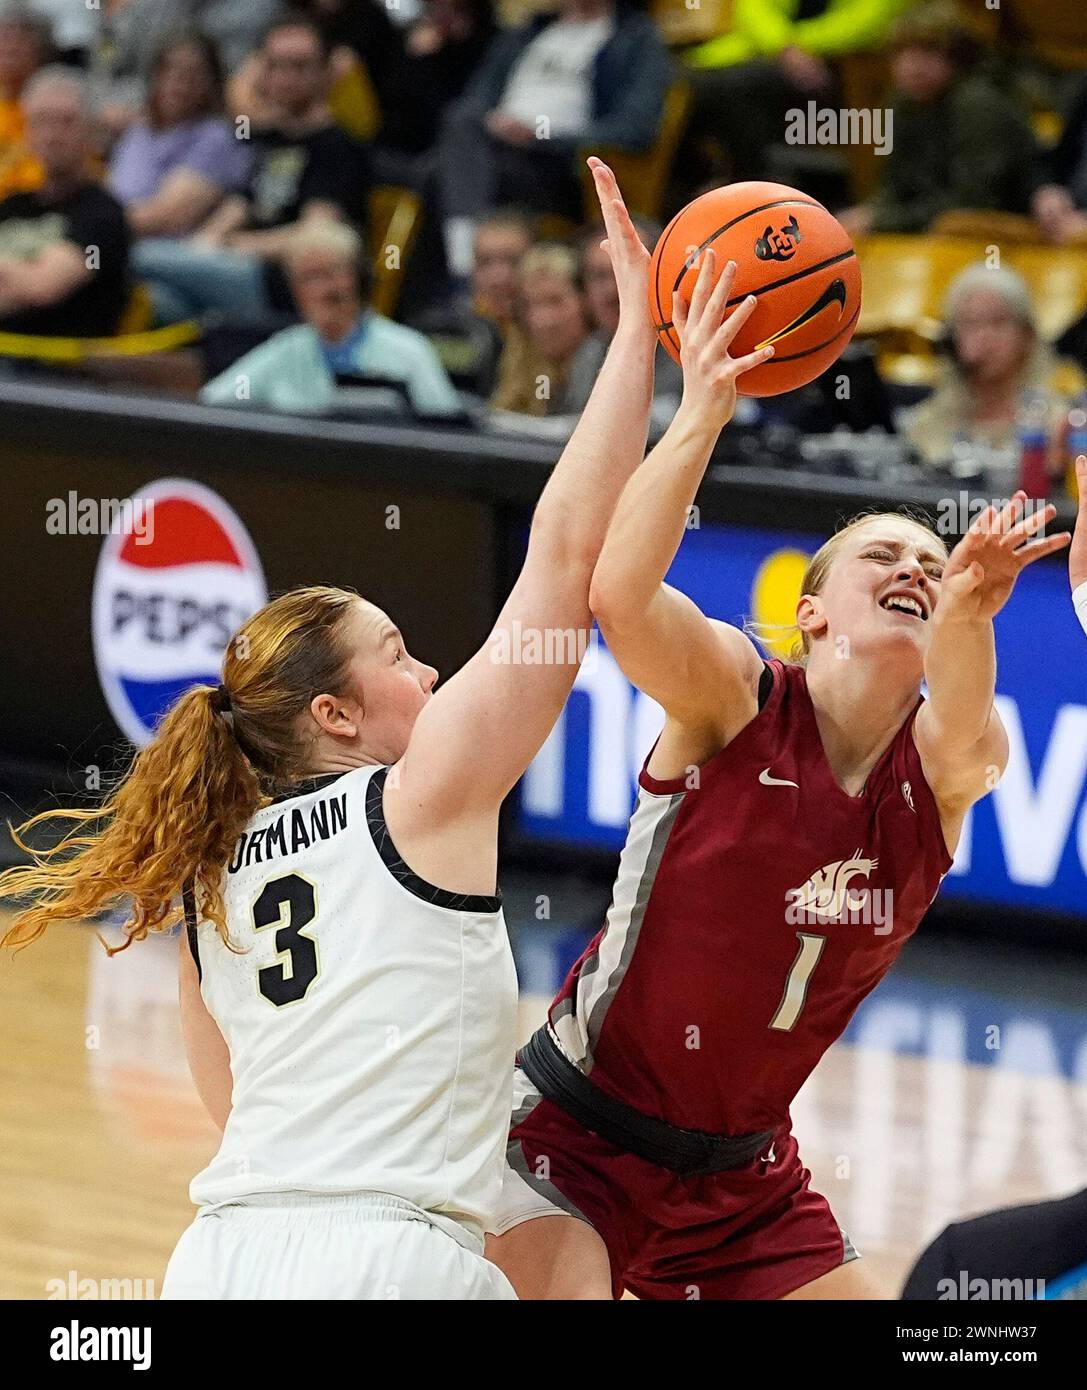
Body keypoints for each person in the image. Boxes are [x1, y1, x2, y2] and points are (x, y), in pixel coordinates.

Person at [0, 159, 666, 1301]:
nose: (433, 671)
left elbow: (239, 1112)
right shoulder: (419, 801)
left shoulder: (206, 890)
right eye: (400, 657)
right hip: (393, 1261)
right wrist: (640, 336)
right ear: (334, 714)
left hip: (218, 1258)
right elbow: (562, 550)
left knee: (566, 1251)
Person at [484, 249, 1071, 1300]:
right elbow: (620, 593)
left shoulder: (942, 772)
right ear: (810, 610)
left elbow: (970, 723)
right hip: (578, 1137)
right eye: (880, 559)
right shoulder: (735, 698)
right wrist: (703, 407)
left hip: (744, 1179)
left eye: (930, 569)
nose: (912, 572)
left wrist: (972, 616)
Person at [132, 14, 369, 321]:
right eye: (274, 66)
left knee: (136, 254)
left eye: (299, 66)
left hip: (284, 285)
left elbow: (315, 237)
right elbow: (243, 203)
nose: (284, 78)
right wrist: (206, 241)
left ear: (325, 73)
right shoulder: (268, 139)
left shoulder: (337, 147)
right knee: (155, 300)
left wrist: (234, 245)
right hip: (238, 273)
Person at [437, 0, 669, 293]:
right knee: (456, 136)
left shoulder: (635, 37)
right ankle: (463, 280)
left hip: (562, 166)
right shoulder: (526, 33)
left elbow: (636, 127)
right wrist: (497, 124)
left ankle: (462, 277)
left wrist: (542, 137)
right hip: (493, 151)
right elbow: (473, 104)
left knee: (440, 174)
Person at [201, 219, 462, 417]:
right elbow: (212, 403)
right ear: (294, 291)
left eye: (332, 274)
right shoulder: (285, 350)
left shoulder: (408, 349)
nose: (323, 290)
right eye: (309, 279)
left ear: (358, 278)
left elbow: (445, 426)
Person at [838, 2, 1040, 239]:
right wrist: (871, 212)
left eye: (928, 51)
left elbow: (969, 203)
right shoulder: (902, 102)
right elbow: (895, 187)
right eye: (902, 53)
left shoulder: (978, 104)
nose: (913, 66)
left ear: (957, 56)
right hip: (933, 231)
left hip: (1003, 237)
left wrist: (882, 219)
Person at [682, 0, 903, 186]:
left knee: (742, 85)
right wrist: (784, 47)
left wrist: (794, 47)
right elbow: (752, 8)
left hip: (838, 69)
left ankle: (754, 185)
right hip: (767, 53)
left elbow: (866, 23)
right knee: (681, 86)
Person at [902, 264, 1082, 479]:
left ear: (1027, 335)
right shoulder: (925, 423)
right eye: (970, 323)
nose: (984, 337)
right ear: (950, 340)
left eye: (998, 322)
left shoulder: (1061, 426)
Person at [0, 65, 129, 337]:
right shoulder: (12, 206)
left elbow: (42, 287)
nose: (52, 136)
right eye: (41, 121)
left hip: (57, 371)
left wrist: (21, 281)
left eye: (66, 122)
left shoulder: (104, 216)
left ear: (93, 132)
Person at [108, 30, 251, 240]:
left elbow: (167, 217)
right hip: (114, 242)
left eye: (194, 73)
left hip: (166, 256)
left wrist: (94, 224)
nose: (180, 82)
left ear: (212, 82)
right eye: (170, 69)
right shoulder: (137, 132)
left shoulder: (217, 137)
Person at [562, 217, 683, 414]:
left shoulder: (687, 352)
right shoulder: (589, 352)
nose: (612, 290)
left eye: (626, 273)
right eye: (599, 276)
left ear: (660, 275)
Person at [489, 242, 591, 416]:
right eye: (531, 304)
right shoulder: (520, 359)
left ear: (585, 301)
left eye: (555, 301)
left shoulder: (603, 360)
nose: (543, 320)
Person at [0, 3, 51, 200]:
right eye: (4, 38)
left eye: (21, 40)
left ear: (41, 50)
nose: (11, 48)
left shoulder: (56, 105)